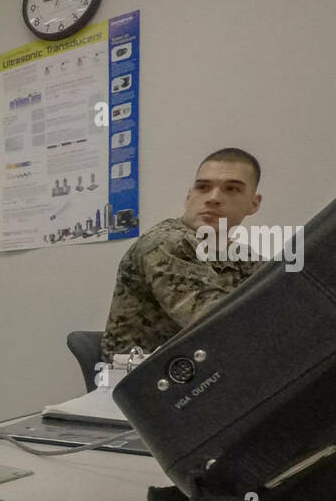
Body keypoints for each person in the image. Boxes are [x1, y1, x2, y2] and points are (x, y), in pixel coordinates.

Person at [100, 148, 264, 360]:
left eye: (231, 189)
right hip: (142, 382)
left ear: (254, 203)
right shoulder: (167, 242)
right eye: (203, 188)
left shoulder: (235, 252)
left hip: (206, 374)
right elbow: (220, 325)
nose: (213, 198)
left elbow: (280, 294)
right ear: (189, 197)